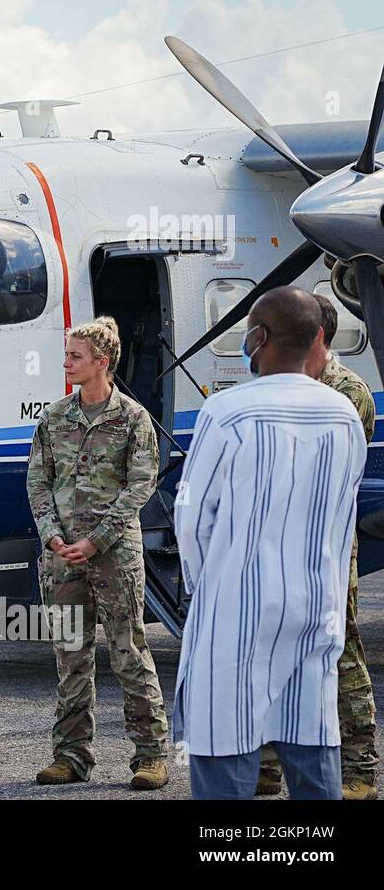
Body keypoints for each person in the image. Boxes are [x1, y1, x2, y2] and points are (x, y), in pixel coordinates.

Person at [174, 286, 366, 800]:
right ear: (318, 337)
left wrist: (207, 586)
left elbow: (191, 516)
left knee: (225, 745)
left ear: (257, 337)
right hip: (316, 605)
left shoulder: (228, 412)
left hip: (238, 610)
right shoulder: (344, 415)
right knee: (312, 744)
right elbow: (343, 515)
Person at [26, 316, 170, 789]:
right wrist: (52, 537)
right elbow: (37, 482)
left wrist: (97, 539)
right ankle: (70, 757)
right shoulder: (54, 418)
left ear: (101, 363)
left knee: (129, 653)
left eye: (75, 356)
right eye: (67, 354)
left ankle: (150, 757)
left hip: (113, 557)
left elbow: (140, 485)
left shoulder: (132, 418)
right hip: (62, 557)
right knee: (70, 656)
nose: (66, 362)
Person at [255, 293, 378, 799]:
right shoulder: (275, 384)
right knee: (267, 645)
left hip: (326, 544)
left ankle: (360, 767)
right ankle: (265, 764)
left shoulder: (349, 392)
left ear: (315, 335)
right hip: (274, 540)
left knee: (340, 646)